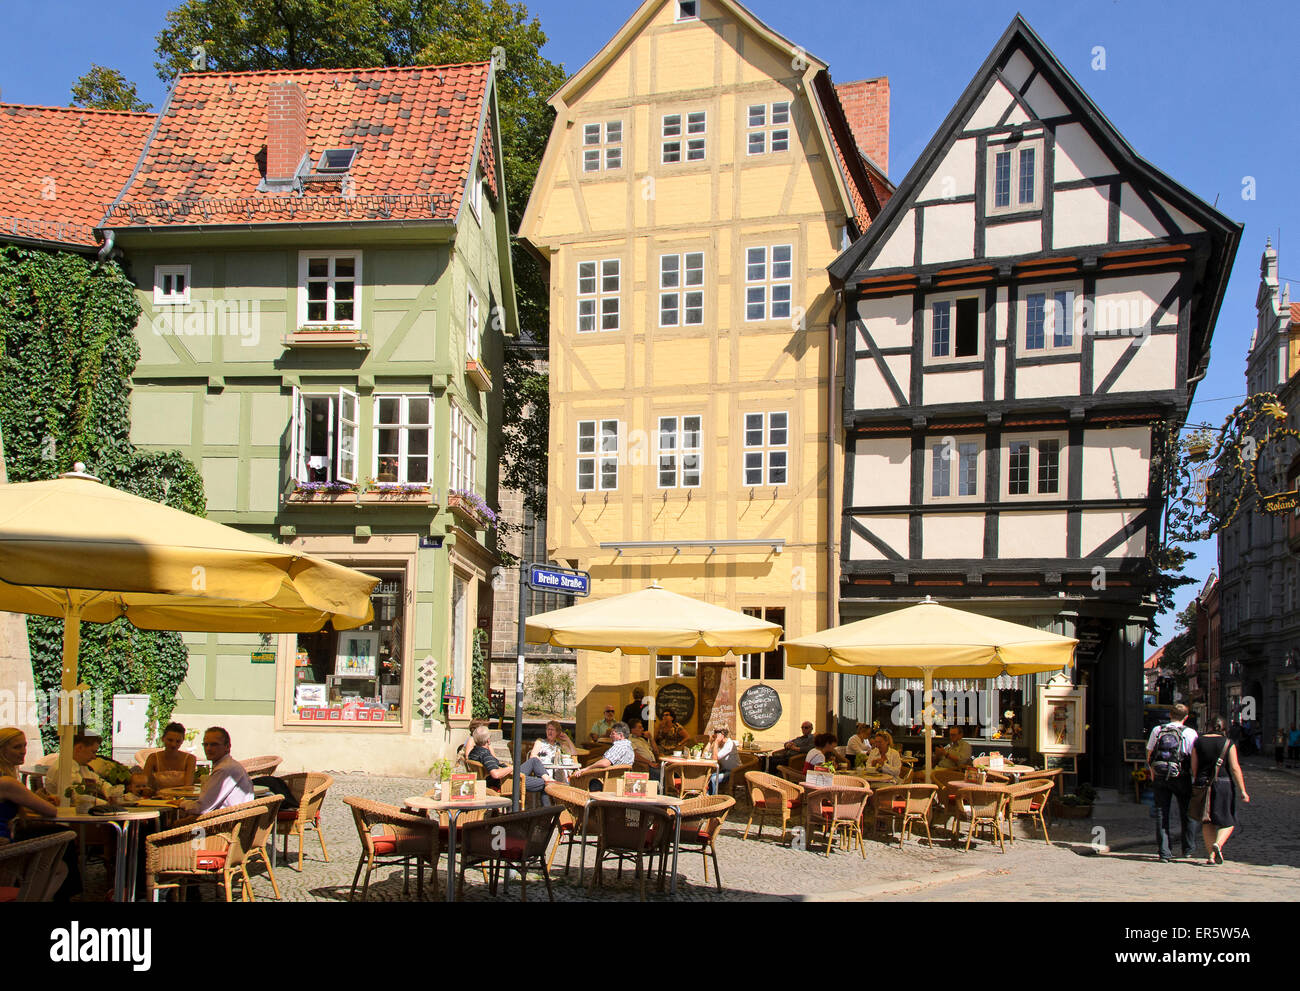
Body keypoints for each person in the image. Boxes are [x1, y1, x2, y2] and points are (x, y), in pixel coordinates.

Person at [1191, 713, 1250, 865]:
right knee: (1229, 820)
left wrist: (1198, 781)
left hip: (1203, 784)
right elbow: (1235, 768)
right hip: (1223, 783)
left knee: (1207, 821)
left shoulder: (1199, 741)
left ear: (1209, 726)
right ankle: (1218, 843)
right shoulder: (1227, 743)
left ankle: (1211, 855)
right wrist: (1243, 790)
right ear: (1225, 728)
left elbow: (1194, 766)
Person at [1146, 702, 1198, 863]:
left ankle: (1164, 852)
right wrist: (1194, 778)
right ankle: (1188, 849)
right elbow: (1194, 758)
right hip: (1181, 776)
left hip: (1161, 775)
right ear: (1186, 717)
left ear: (1170, 715)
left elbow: (1149, 754)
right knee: (1187, 813)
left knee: (1162, 813)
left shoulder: (1158, 730)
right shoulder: (1190, 733)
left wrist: (1153, 773)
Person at [0, 728, 59, 843]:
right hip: (5, 848)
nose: (23, 751)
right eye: (17, 747)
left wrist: (36, 798)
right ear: (1, 750)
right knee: (62, 834)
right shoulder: (6, 782)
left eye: (24, 746)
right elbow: (51, 811)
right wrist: (41, 801)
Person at [185, 727, 254, 816]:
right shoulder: (228, 765)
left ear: (227, 747)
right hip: (233, 820)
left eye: (214, 744)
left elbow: (202, 808)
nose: (208, 749)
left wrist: (181, 804)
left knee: (173, 825)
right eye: (205, 745)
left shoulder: (224, 769)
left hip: (225, 824)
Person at [468, 725, 551, 797]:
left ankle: (547, 778)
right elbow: (496, 774)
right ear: (488, 740)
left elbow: (494, 763)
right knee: (546, 784)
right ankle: (549, 808)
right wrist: (512, 768)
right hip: (507, 781)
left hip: (505, 777)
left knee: (534, 760)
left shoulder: (473, 752)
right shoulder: (485, 755)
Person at [41, 733, 105, 801]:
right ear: (79, 748)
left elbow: (100, 782)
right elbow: (77, 797)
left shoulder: (81, 767)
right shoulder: (64, 768)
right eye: (93, 752)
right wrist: (107, 804)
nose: (94, 757)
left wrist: (111, 793)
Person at [141, 722, 196, 796]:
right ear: (163, 739)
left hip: (182, 799)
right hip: (157, 800)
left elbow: (188, 787)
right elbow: (144, 784)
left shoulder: (190, 759)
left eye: (178, 741)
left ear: (182, 741)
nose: (173, 744)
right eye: (170, 740)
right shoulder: (153, 758)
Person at [581, 722, 635, 790]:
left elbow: (605, 763)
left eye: (613, 734)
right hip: (621, 783)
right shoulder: (629, 747)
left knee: (591, 782)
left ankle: (595, 800)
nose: (610, 736)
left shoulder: (619, 746)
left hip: (609, 782)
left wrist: (587, 768)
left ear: (621, 736)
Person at [704, 726, 740, 795]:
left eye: (716, 734)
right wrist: (710, 742)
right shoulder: (719, 744)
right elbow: (704, 755)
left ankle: (713, 800)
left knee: (713, 779)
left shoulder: (729, 744)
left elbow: (715, 759)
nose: (715, 737)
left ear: (722, 735)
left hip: (735, 772)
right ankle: (707, 797)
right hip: (724, 770)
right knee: (707, 776)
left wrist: (716, 743)